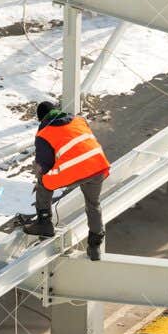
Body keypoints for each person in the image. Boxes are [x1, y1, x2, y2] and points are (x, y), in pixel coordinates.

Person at [20, 100, 108, 260]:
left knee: (44, 183)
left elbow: (44, 167)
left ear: (41, 119)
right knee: (93, 203)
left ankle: (44, 223)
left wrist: (40, 179)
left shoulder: (44, 133)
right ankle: (95, 246)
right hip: (97, 166)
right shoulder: (79, 120)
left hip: (74, 170)